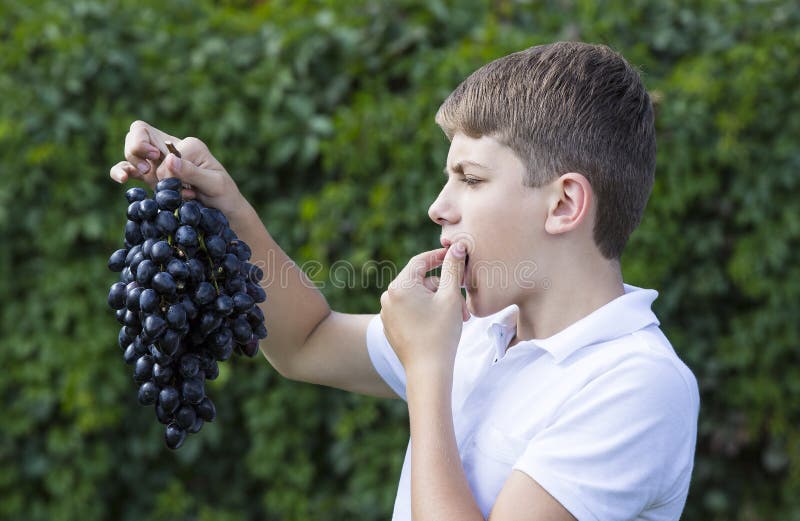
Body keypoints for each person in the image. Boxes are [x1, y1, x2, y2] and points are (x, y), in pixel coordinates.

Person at [110, 41, 699, 521]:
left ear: (565, 203)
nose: (438, 207)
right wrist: (226, 205)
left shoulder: (638, 385)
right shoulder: (483, 331)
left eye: (470, 178)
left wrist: (426, 368)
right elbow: (306, 342)